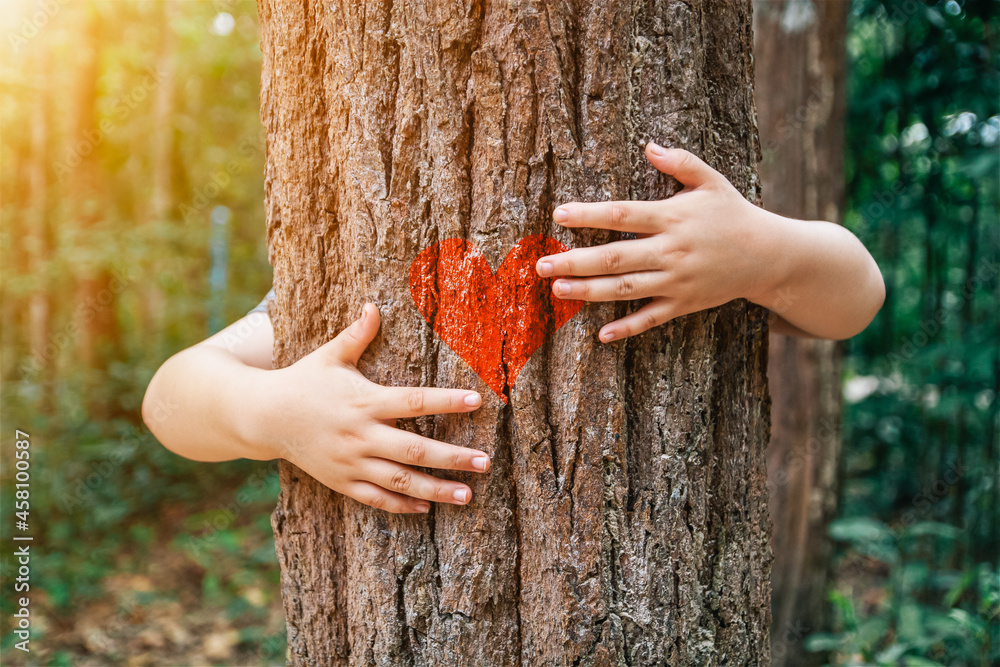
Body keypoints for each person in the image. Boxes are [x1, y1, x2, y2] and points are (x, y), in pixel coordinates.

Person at [142, 143, 884, 515]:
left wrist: (761, 253)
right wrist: (269, 413)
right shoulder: (347, 290)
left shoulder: (688, 244)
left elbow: (854, 298)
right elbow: (170, 399)